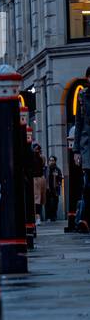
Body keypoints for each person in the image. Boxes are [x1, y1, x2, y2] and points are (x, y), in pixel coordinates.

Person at [73, 74, 90, 235]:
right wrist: (76, 150)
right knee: (88, 184)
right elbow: (78, 123)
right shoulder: (82, 97)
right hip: (87, 146)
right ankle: (84, 219)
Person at [45, 156, 63, 222]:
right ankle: (48, 216)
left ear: (55, 161)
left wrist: (59, 182)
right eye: (50, 160)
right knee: (47, 203)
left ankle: (54, 216)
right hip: (47, 188)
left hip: (55, 188)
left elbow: (60, 178)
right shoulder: (46, 169)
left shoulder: (57, 169)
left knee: (55, 203)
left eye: (53, 160)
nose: (51, 162)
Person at [31, 143, 46, 221]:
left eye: (38, 149)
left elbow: (43, 164)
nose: (37, 151)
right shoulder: (33, 157)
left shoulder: (41, 157)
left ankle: (38, 216)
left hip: (39, 177)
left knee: (40, 198)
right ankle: (37, 216)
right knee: (37, 198)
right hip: (36, 178)